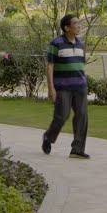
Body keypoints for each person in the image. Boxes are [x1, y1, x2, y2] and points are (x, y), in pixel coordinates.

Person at [43, 13, 89, 159]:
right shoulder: (56, 43)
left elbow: (80, 64)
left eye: (79, 23)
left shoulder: (81, 44)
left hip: (80, 86)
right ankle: (48, 137)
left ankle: (77, 149)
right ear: (66, 27)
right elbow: (50, 66)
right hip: (62, 87)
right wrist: (51, 88)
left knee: (82, 116)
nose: (79, 25)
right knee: (61, 116)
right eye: (75, 23)